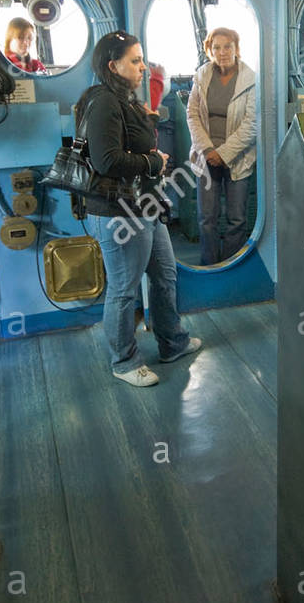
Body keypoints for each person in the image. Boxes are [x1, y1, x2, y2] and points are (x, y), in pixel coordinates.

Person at [75, 31, 200, 387]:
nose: (142, 66)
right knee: (124, 289)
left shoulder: (124, 100)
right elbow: (106, 159)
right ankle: (124, 362)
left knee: (164, 275)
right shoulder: (104, 103)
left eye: (142, 59)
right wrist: (151, 162)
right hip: (118, 212)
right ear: (113, 66)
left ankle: (172, 342)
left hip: (143, 205)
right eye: (135, 60)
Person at [186, 27, 259, 266]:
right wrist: (207, 150)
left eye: (227, 46)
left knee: (236, 218)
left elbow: (252, 123)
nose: (222, 52)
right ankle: (209, 263)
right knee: (207, 217)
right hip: (206, 156)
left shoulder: (250, 78)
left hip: (238, 157)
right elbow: (192, 115)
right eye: (216, 47)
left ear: (236, 48)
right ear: (209, 50)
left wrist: (224, 153)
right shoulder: (202, 75)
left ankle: (230, 264)